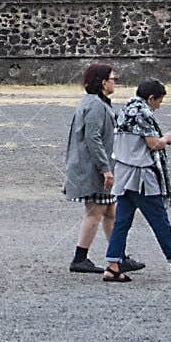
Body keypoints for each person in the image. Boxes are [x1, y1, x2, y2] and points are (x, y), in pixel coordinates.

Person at [103, 79, 171, 283]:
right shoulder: (144, 113)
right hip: (141, 176)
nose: (159, 105)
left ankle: (113, 265)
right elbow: (152, 144)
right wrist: (166, 139)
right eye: (159, 101)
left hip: (123, 174)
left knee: (122, 222)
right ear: (151, 98)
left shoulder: (125, 110)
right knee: (159, 221)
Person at [63, 62, 143, 274]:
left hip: (98, 167)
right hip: (95, 169)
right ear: (102, 82)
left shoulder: (95, 102)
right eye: (111, 78)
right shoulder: (96, 105)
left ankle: (117, 255)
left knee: (111, 212)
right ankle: (80, 258)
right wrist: (105, 169)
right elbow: (93, 138)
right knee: (95, 213)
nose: (114, 81)